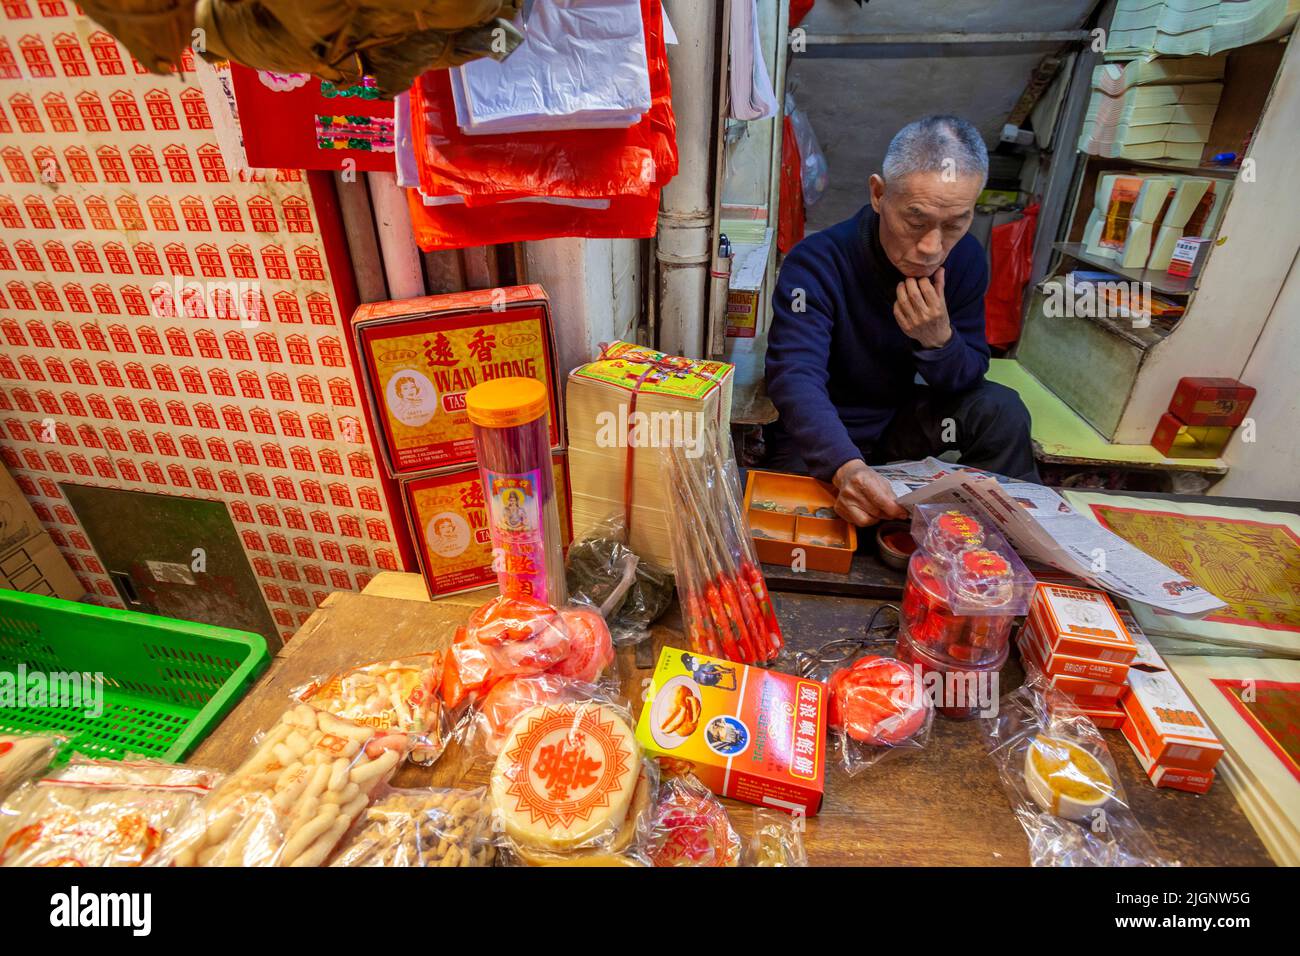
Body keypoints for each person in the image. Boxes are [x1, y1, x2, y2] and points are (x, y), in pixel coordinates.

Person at [764, 115, 1040, 528]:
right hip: (820, 432)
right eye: (915, 220)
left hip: (895, 421)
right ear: (878, 194)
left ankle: (1007, 538)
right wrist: (846, 466)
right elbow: (794, 377)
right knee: (813, 526)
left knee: (1001, 409)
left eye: (954, 224)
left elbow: (965, 379)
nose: (932, 247)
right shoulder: (819, 262)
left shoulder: (963, 261)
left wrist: (938, 341)